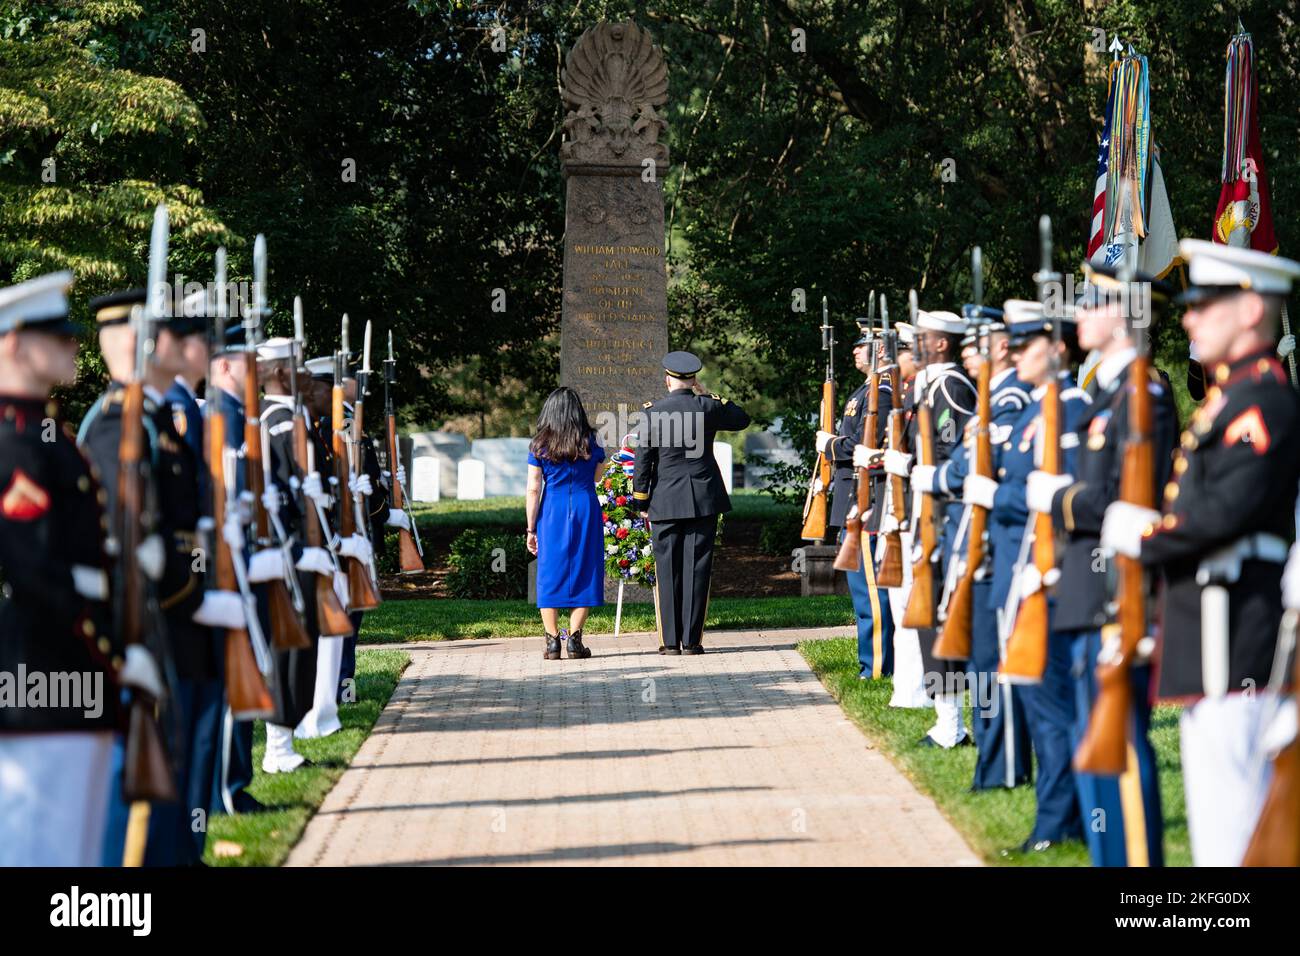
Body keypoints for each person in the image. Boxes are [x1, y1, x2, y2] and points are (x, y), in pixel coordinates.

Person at [1101, 239, 1300, 865]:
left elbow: (1223, 514)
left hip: (1238, 640)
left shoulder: (1262, 397)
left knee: (1238, 835)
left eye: (1204, 306)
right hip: (1211, 639)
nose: (1186, 319)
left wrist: (1144, 534)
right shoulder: (1229, 398)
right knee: (1219, 834)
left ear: (1248, 312)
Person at [79, 287, 225, 865]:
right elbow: (135, 544)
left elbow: (181, 528)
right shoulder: (118, 425)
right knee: (154, 798)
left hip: (182, 623)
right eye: (188, 337)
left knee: (184, 772)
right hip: (156, 625)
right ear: (154, 342)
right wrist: (195, 587)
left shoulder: (161, 419)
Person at [0, 272, 125, 867]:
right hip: (41, 678)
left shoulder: (48, 437)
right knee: (40, 851)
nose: (74, 345)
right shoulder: (13, 444)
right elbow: (34, 573)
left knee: (76, 854)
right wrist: (111, 647)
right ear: (13, 344)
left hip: (76, 676)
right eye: (58, 335)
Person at [983, 299, 1093, 854]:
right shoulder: (1035, 409)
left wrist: (998, 495)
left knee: (1052, 710)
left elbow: (1068, 495)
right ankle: (1059, 818)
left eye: (1027, 344)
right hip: (1024, 568)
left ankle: (1057, 824)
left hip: (1053, 575)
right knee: (1039, 700)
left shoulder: (1070, 409)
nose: (1016, 353)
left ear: (1059, 350)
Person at [935, 306, 1034, 789]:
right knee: (981, 664)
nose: (967, 353)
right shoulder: (992, 397)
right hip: (973, 541)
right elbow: (961, 463)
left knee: (994, 666)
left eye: (977, 344)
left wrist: (935, 476)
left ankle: (1005, 769)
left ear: (999, 346)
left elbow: (974, 467)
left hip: (997, 546)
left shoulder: (1011, 397)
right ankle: (993, 766)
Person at [894, 309, 977, 748]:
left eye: (921, 339)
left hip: (947, 515)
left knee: (941, 617)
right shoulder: (932, 385)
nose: (913, 347)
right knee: (930, 617)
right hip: (931, 512)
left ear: (941, 343)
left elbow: (951, 454)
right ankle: (949, 721)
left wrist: (904, 465)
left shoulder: (950, 385)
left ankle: (954, 725)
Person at [632, 351, 751, 655]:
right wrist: (711, 395)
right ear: (693, 379)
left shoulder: (651, 412)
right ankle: (692, 642)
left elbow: (644, 460)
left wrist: (640, 500)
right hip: (703, 499)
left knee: (667, 569)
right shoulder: (708, 407)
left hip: (665, 500)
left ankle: (670, 642)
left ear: (667, 380)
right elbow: (742, 418)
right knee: (698, 568)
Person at [817, 320, 893, 680]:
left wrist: (829, 444)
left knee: (870, 591)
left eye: (862, 344)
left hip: (868, 499)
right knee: (861, 590)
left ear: (879, 349)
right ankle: (872, 661)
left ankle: (876, 666)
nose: (854, 350)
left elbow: (865, 446)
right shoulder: (864, 392)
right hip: (852, 495)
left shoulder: (883, 393)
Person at [525, 386, 605, 660]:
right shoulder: (590, 441)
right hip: (585, 505)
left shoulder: (539, 444)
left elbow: (533, 489)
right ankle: (574, 641)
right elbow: (597, 477)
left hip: (552, 509)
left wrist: (531, 528)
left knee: (549, 571)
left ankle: (551, 642)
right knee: (586, 568)